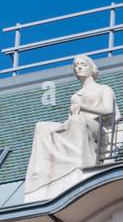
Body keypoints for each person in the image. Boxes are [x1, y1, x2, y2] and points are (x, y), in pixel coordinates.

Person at [25, 55, 117, 193]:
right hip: (77, 125)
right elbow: (71, 119)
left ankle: (78, 163)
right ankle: (41, 170)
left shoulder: (104, 89)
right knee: (42, 126)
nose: (78, 67)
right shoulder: (75, 96)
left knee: (77, 120)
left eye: (83, 64)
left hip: (97, 127)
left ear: (92, 69)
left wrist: (83, 107)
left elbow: (108, 111)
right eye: (76, 65)